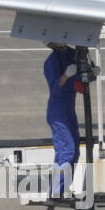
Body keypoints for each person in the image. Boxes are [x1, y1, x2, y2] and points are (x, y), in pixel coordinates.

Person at [42, 42, 80, 196]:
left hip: (68, 109)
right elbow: (56, 87)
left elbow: (83, 77)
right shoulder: (51, 62)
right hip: (58, 111)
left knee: (74, 152)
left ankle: (63, 189)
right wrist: (66, 75)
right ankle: (57, 192)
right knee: (67, 151)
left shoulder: (71, 54)